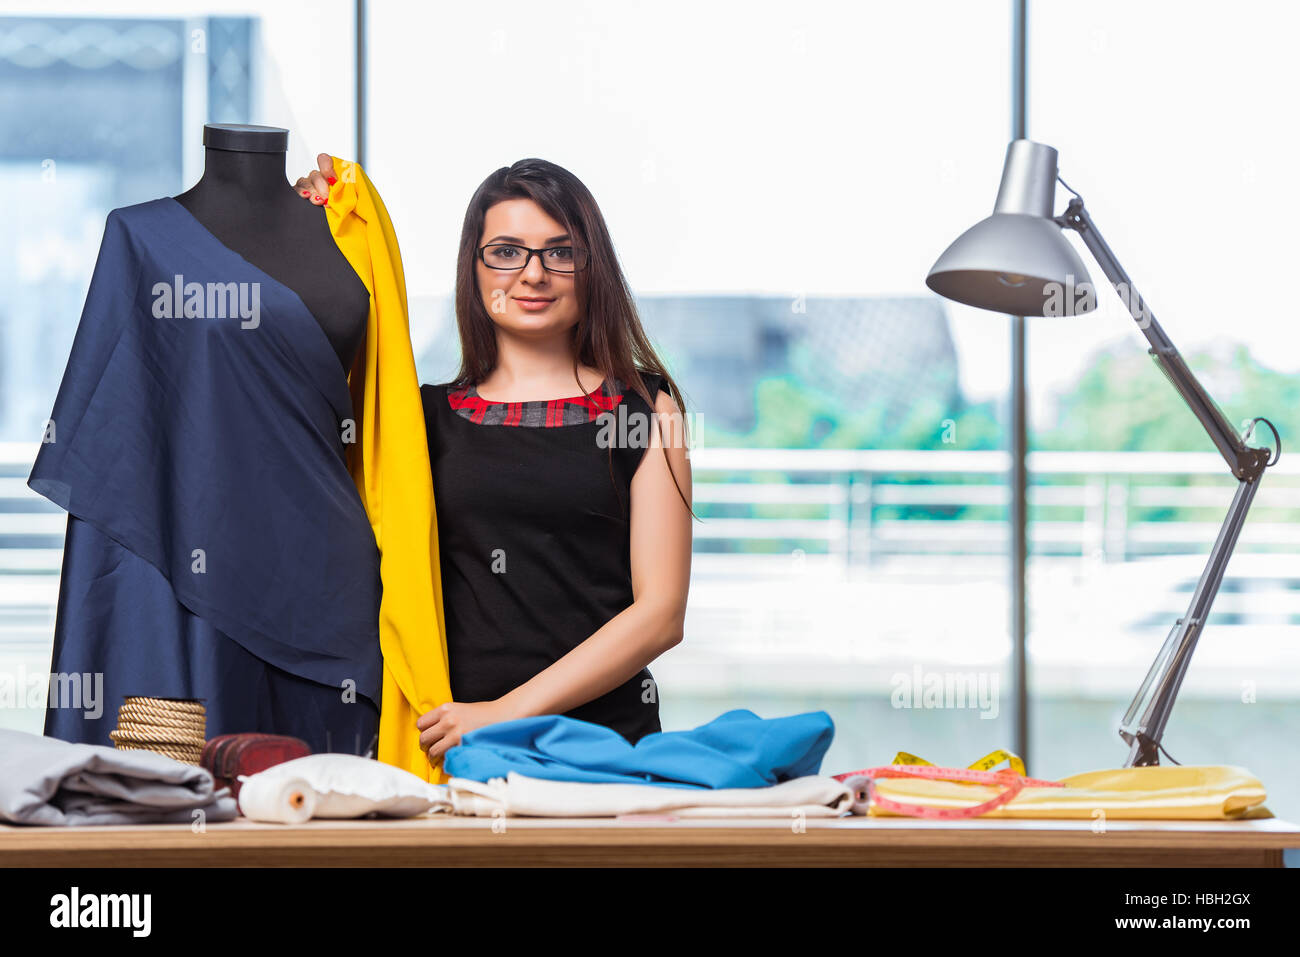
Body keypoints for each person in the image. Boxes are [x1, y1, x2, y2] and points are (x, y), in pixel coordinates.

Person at [295, 154, 695, 766]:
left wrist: (500, 714)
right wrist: (312, 235)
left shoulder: (644, 408)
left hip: (608, 755)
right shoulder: (418, 422)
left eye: (559, 252)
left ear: (592, 269)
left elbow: (661, 615)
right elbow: (300, 384)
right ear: (475, 270)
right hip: (452, 753)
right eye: (506, 251)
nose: (533, 274)